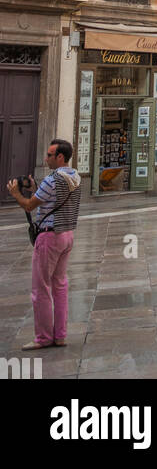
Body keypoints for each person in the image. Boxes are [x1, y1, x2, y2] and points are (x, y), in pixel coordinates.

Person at [6, 138, 81, 350]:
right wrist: (36, 187)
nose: (45, 158)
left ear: (59, 157)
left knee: (41, 288)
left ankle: (43, 337)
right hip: (66, 234)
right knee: (60, 285)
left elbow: (30, 206)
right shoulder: (74, 176)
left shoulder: (52, 179)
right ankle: (60, 335)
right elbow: (55, 197)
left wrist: (16, 193)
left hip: (49, 236)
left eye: (49, 155)